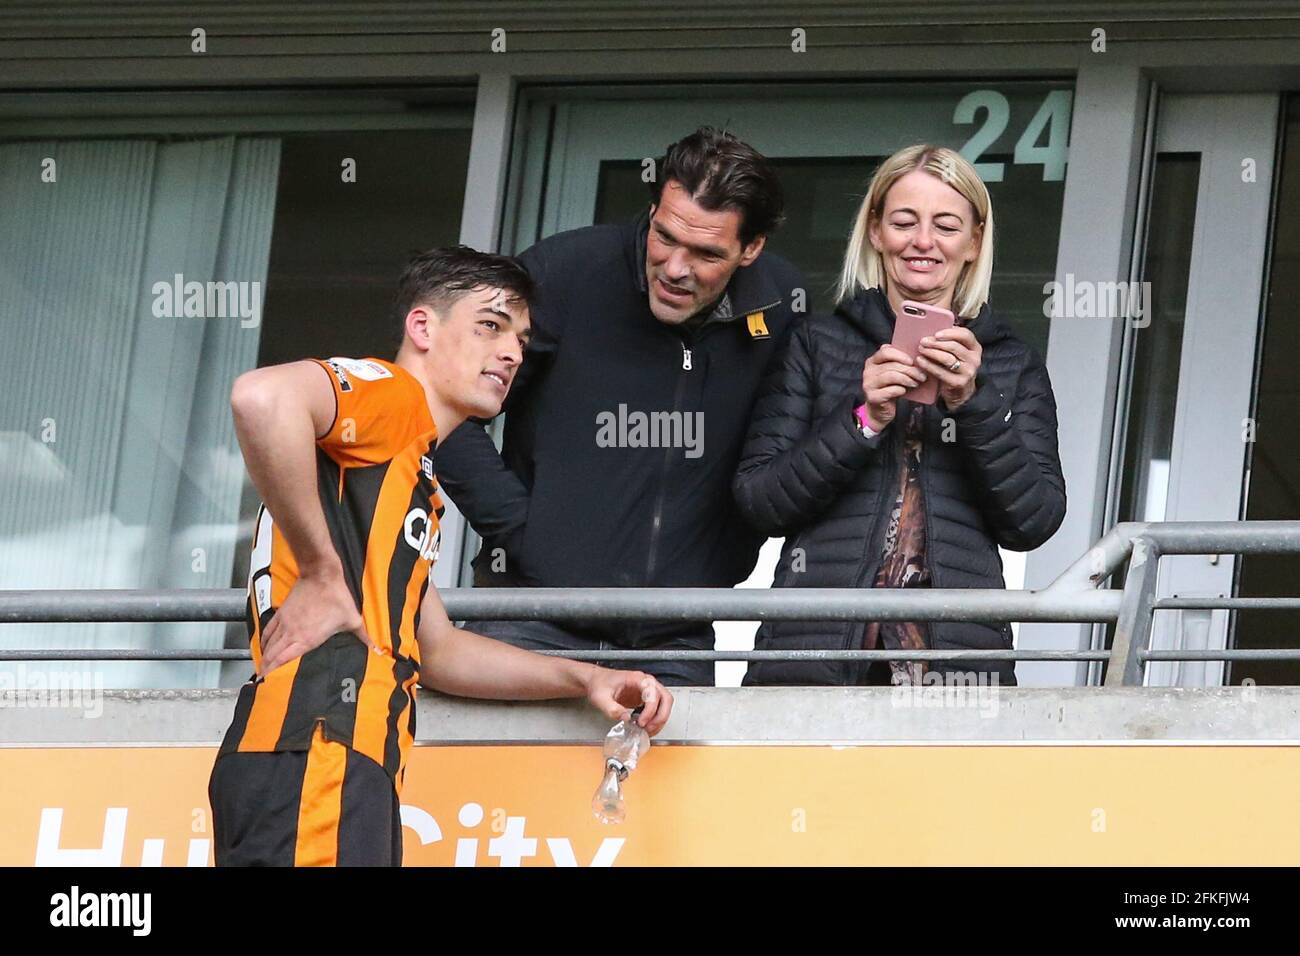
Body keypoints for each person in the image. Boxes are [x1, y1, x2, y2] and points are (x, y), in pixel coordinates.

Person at [209, 247, 673, 867]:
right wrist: (322, 573)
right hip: (321, 744)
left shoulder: (403, 468)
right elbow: (260, 397)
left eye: (521, 338)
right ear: (423, 327)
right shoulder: (393, 399)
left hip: (325, 755)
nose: (511, 352)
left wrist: (586, 678)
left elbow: (439, 649)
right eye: (490, 325)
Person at [435, 127, 806, 687]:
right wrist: (526, 533)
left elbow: (781, 450)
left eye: (706, 253)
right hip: (528, 620)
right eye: (664, 237)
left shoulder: (779, 304)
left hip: (676, 637)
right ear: (654, 209)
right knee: (507, 779)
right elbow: (442, 399)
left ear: (750, 250)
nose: (676, 268)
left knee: (653, 780)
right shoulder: (565, 272)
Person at [733, 144, 1066, 687]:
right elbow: (759, 502)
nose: (923, 242)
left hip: (958, 667)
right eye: (904, 221)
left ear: (974, 241)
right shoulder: (817, 344)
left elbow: (1033, 521)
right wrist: (863, 418)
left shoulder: (1010, 362)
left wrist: (974, 404)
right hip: (814, 656)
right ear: (875, 231)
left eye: (947, 225)